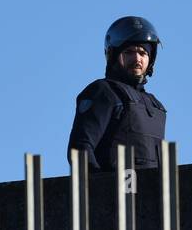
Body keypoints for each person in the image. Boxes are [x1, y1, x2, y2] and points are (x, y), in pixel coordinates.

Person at [68, 16, 167, 171]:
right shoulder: (103, 91)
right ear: (113, 55)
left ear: (151, 58)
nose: (137, 59)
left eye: (142, 53)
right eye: (129, 52)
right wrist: (102, 186)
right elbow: (80, 149)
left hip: (150, 193)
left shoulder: (156, 106)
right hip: (117, 191)